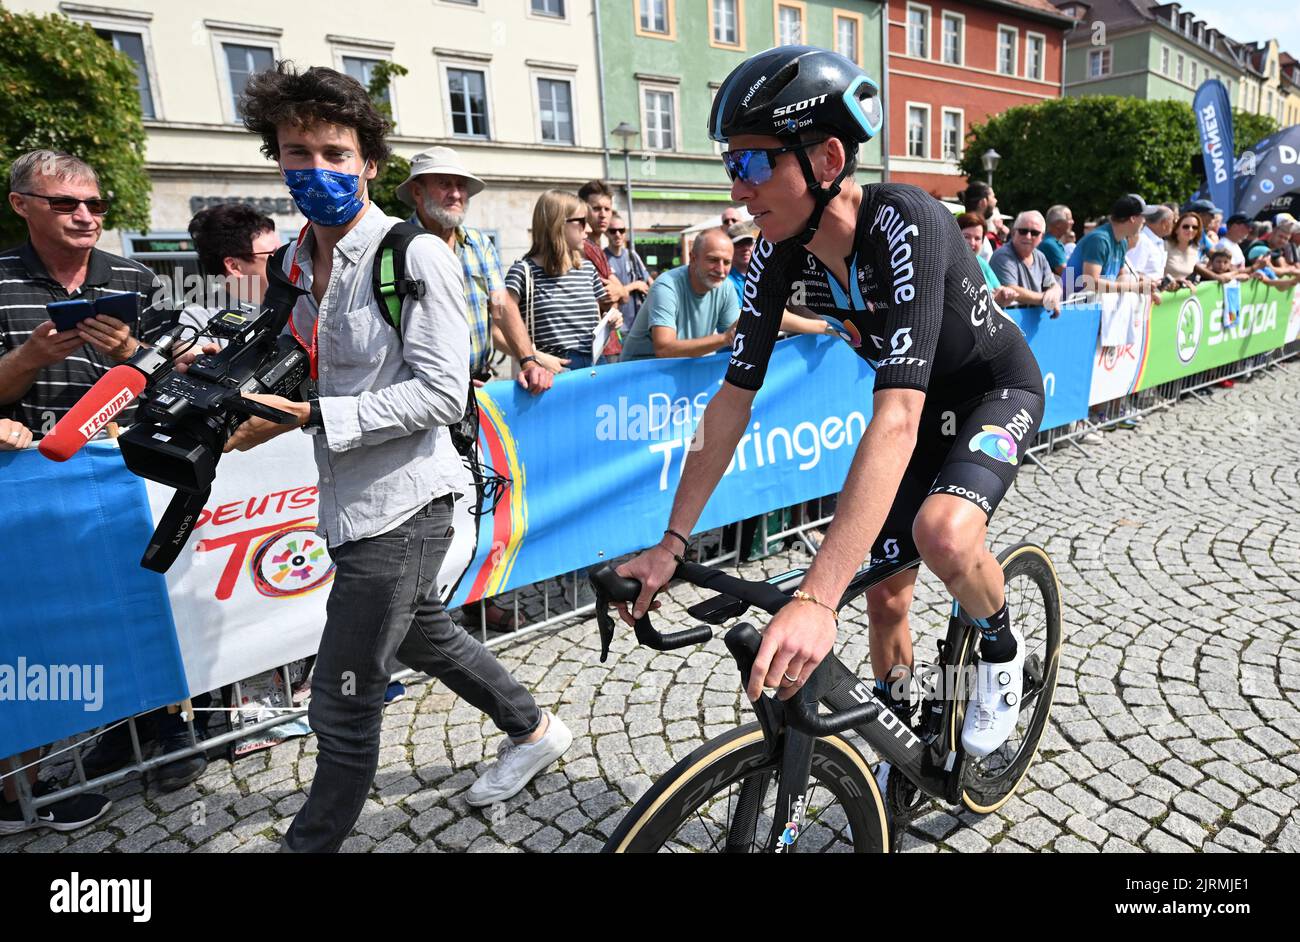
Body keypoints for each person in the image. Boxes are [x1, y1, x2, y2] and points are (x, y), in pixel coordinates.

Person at [617, 46, 1046, 759]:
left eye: (754, 164)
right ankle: (907, 736)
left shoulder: (904, 221)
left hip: (991, 393)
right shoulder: (779, 256)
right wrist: (671, 543)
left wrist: (816, 598)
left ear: (826, 159)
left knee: (940, 534)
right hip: (919, 414)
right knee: (884, 595)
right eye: (732, 165)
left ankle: (1000, 648)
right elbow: (730, 401)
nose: (738, 187)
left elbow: (898, 415)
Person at [225, 63, 570, 851]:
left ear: (370, 164)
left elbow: (444, 397)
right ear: (275, 157)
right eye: (298, 152)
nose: (317, 170)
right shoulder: (290, 264)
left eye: (335, 153)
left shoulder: (415, 256)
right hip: (350, 500)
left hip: (407, 506)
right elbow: (296, 353)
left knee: (343, 701)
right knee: (421, 634)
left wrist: (314, 416)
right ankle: (533, 726)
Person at [0, 150, 159, 440]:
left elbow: (175, 375)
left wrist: (130, 352)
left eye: (95, 205)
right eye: (64, 203)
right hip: (31, 463)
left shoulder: (140, 278)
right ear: (20, 204)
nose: (85, 217)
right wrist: (28, 358)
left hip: (130, 460)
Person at [397, 147, 555, 390]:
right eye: (445, 184)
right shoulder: (398, 248)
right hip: (426, 389)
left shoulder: (479, 244)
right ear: (418, 191)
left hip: (481, 386)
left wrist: (528, 361)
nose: (456, 194)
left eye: (461, 186)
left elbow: (501, 307)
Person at [504, 190, 617, 370]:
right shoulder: (523, 273)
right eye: (581, 222)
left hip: (595, 370)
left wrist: (611, 320)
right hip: (551, 378)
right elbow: (496, 333)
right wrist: (532, 357)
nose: (588, 228)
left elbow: (593, 323)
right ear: (558, 224)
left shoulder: (587, 270)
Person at [620, 228, 738, 361]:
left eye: (727, 262)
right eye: (713, 260)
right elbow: (664, 349)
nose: (721, 270)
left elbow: (735, 337)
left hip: (684, 368)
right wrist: (723, 338)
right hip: (640, 372)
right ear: (693, 258)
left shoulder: (726, 287)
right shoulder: (666, 286)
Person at [988, 211, 1061, 314]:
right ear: (1013, 232)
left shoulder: (1040, 256)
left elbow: (1052, 284)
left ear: (1042, 237)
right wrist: (1045, 299)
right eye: (1023, 231)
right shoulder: (1002, 256)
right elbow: (1012, 290)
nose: (1028, 236)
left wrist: (1054, 293)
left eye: (1034, 233)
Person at [576, 180, 626, 308]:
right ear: (583, 210)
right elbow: (608, 302)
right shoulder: (578, 248)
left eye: (607, 209)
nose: (603, 215)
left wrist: (621, 291)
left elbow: (624, 296)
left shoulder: (599, 250)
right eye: (596, 208)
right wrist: (621, 291)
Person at [604, 211, 652, 338]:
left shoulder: (632, 255)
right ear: (606, 233)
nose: (618, 234)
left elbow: (649, 282)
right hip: (616, 327)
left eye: (621, 230)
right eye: (613, 231)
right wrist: (635, 285)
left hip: (638, 325)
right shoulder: (602, 258)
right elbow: (611, 294)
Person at [957, 213, 1016, 304]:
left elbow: (998, 289)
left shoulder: (981, 262)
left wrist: (1007, 293)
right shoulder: (949, 265)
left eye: (977, 238)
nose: (972, 243)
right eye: (966, 237)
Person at [957, 180, 1004, 258]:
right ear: (983, 202)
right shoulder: (962, 228)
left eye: (977, 238)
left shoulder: (956, 225)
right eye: (993, 197)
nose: (996, 201)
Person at [1163, 211, 1203, 288]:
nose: (1190, 230)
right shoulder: (1164, 246)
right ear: (1176, 229)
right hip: (1164, 294)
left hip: (1185, 297)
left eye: (1194, 227)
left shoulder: (1196, 249)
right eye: (1186, 226)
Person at [1041, 205, 1073, 277]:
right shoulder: (1050, 244)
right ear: (1058, 224)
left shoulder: (1049, 241)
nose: (1072, 222)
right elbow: (1068, 276)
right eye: (1069, 219)